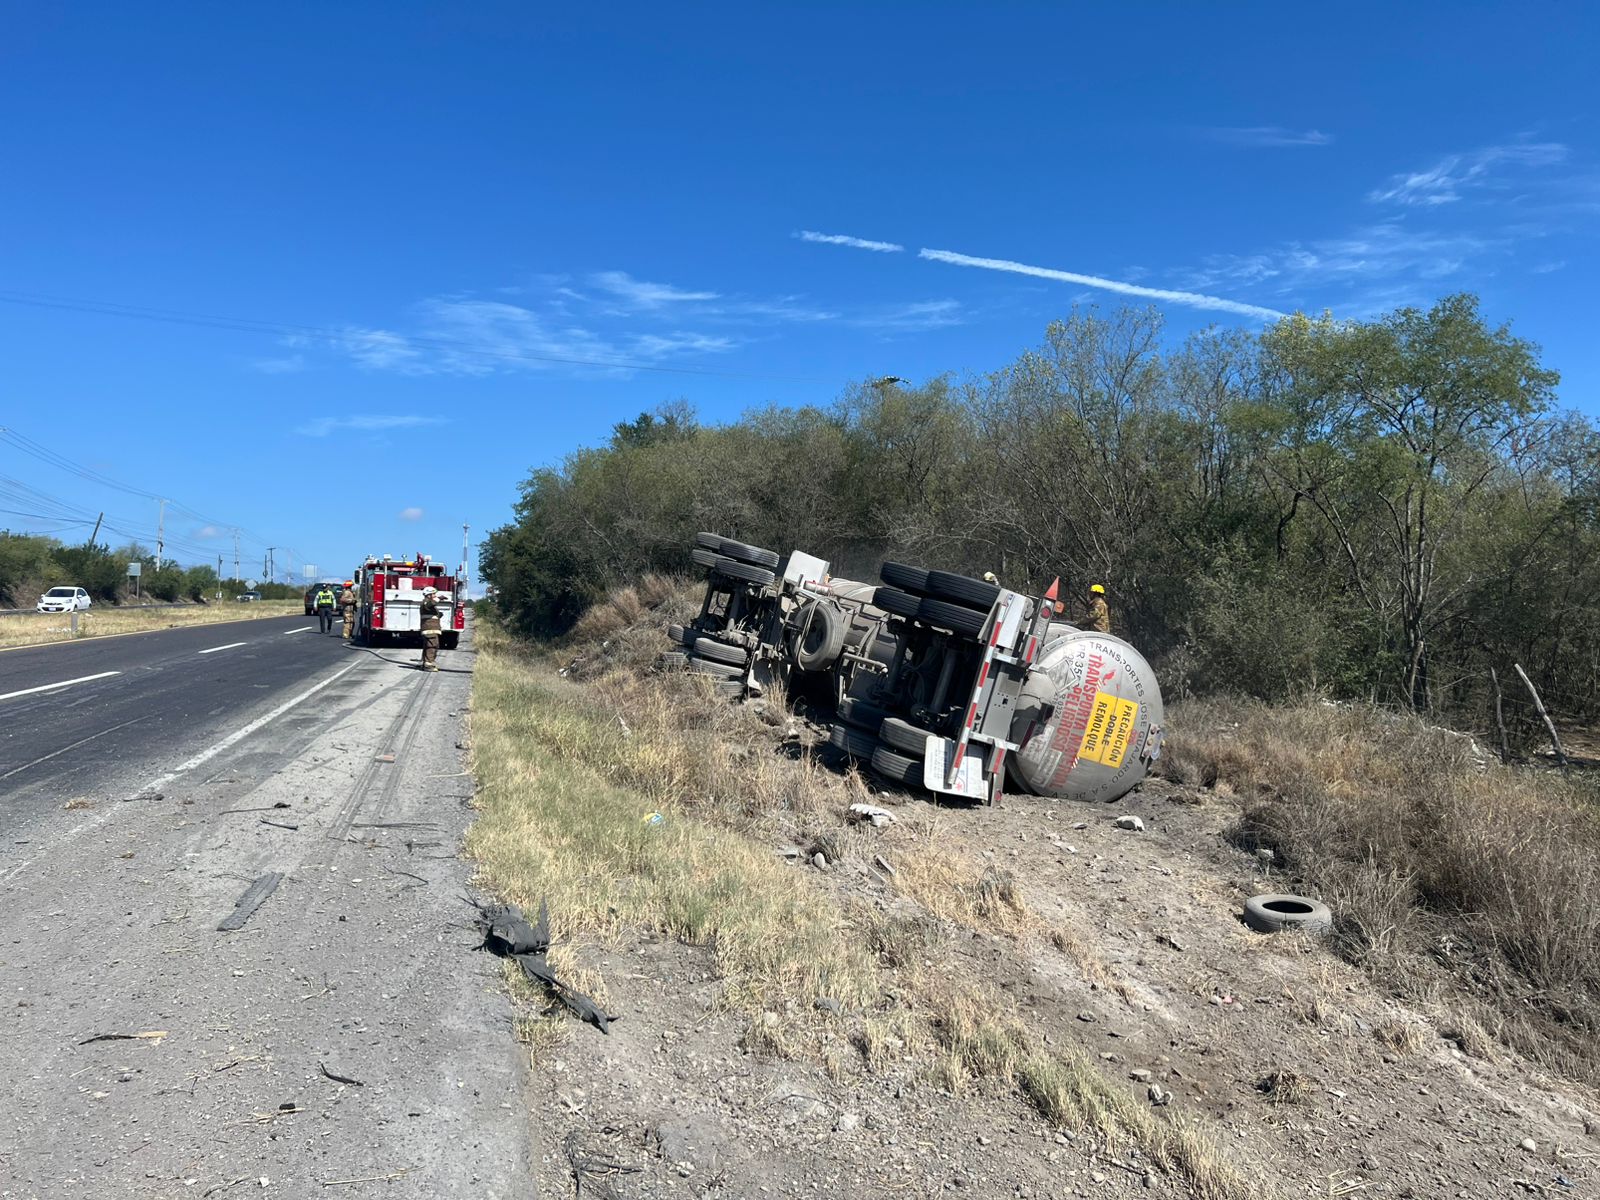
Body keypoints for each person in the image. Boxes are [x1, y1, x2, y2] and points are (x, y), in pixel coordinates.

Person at [419, 586, 444, 671]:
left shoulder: (427, 603)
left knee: (429, 645)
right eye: (433, 594)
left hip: (430, 628)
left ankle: (425, 663)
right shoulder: (426, 602)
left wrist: (438, 615)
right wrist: (439, 599)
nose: (434, 595)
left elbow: (430, 614)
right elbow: (430, 605)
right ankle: (428, 665)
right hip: (430, 629)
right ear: (428, 595)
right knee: (432, 646)